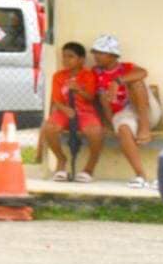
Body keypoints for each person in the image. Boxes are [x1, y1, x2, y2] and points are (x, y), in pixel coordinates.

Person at [84, 34, 154, 187]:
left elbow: (143, 72)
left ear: (112, 55)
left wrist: (117, 81)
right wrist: (109, 122)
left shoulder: (126, 68)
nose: (95, 56)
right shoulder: (95, 72)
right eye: (95, 52)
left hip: (145, 110)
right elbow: (101, 100)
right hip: (123, 113)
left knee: (137, 83)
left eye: (100, 53)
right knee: (123, 129)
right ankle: (141, 176)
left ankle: (144, 127)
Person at [37, 41, 102, 182]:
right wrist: (65, 109)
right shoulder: (58, 76)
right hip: (64, 111)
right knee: (50, 128)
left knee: (95, 132)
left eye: (70, 56)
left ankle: (89, 168)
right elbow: (56, 99)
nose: (66, 60)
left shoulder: (88, 75)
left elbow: (90, 97)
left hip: (85, 111)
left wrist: (78, 89)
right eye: (64, 56)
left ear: (81, 60)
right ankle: (61, 160)